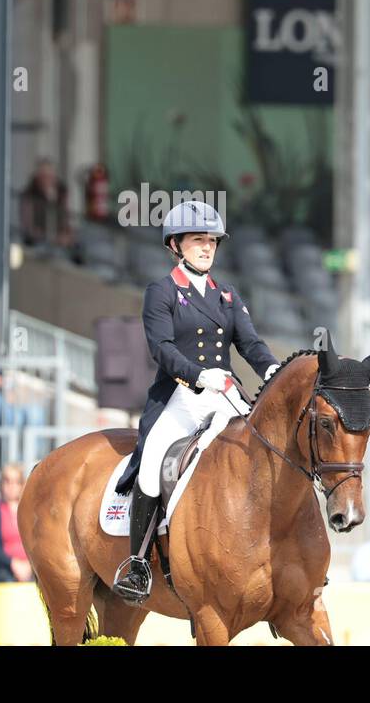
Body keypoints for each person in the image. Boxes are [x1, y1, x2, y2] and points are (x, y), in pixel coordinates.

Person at [110, 201, 280, 605]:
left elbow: (250, 343)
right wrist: (198, 374)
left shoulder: (226, 295)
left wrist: (272, 370)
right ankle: (138, 564)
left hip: (224, 395)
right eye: (198, 240)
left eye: (212, 241)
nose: (207, 248)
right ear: (176, 245)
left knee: (268, 451)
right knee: (151, 466)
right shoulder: (162, 291)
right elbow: (161, 348)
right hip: (180, 395)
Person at [0, 464, 33, 585]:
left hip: (30, 569)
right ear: (1, 485)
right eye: (7, 481)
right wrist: (13, 563)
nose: (11, 486)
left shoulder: (29, 512)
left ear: (22, 485)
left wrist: (29, 565)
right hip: (3, 570)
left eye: (16, 482)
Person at [19, 157, 72, 249]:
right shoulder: (29, 194)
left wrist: (65, 235)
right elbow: (28, 224)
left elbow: (66, 219)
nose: (47, 180)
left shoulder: (61, 192)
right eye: (44, 176)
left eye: (50, 176)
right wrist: (46, 236)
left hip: (59, 242)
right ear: (38, 177)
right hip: (37, 242)